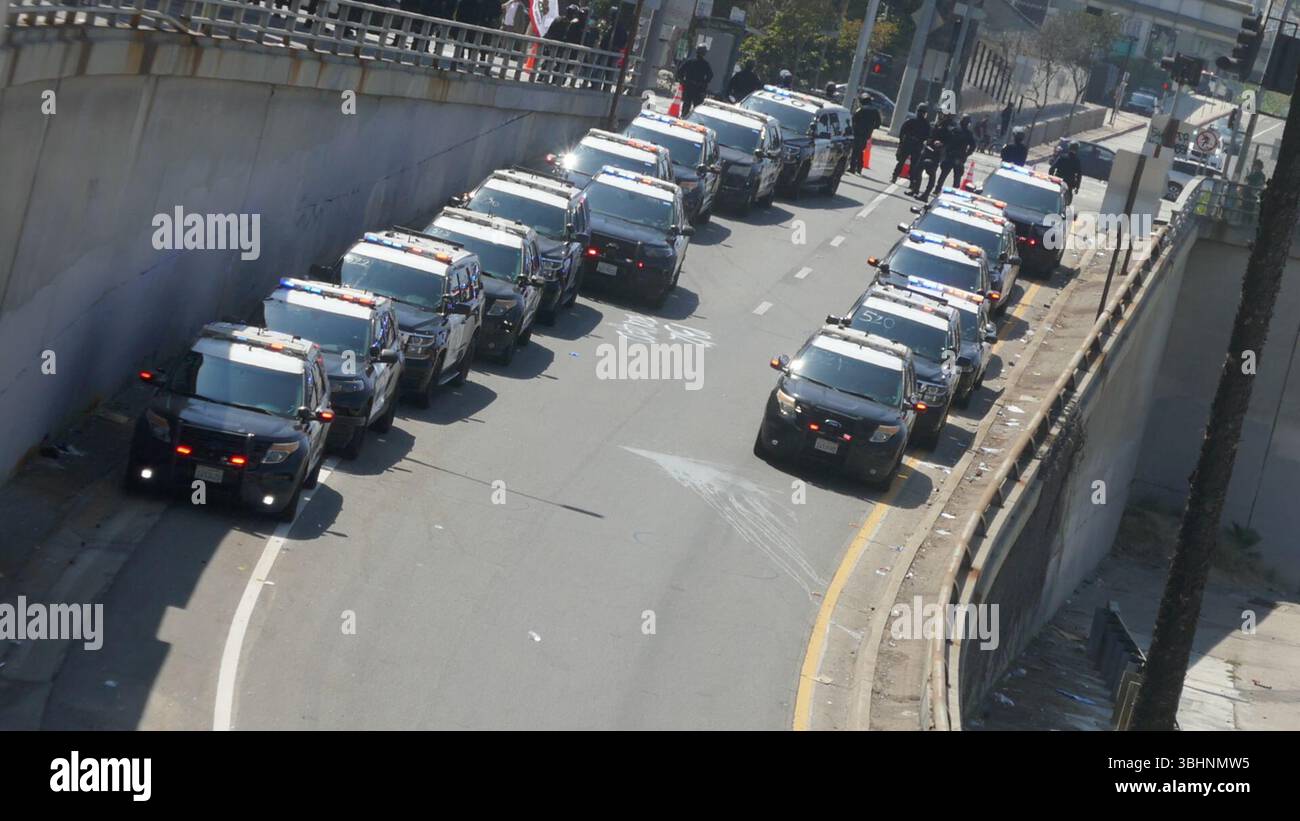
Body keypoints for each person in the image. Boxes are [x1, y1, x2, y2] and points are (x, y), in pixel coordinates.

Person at [933, 114, 975, 195]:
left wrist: (966, 154)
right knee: (950, 175)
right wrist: (966, 154)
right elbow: (972, 146)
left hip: (955, 156)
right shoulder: (958, 131)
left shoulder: (958, 131)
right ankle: (945, 190)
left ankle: (939, 189)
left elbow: (972, 146)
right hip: (954, 156)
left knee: (950, 175)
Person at [893, 102, 931, 184]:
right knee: (914, 165)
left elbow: (902, 132)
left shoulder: (910, 120)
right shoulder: (926, 124)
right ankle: (912, 182)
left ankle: (894, 177)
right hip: (917, 145)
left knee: (902, 162)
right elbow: (927, 136)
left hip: (908, 143)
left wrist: (901, 142)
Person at [676, 45, 714, 117]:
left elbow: (680, 72)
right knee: (697, 107)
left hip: (688, 86)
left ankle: (683, 116)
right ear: (704, 53)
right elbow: (710, 76)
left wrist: (682, 81)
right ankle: (694, 119)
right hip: (699, 88)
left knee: (686, 104)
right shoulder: (705, 64)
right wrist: (704, 83)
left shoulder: (689, 61)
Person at [850, 93, 882, 174]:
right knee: (860, 150)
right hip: (866, 134)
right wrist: (871, 128)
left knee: (855, 150)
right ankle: (859, 167)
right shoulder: (875, 111)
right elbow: (878, 123)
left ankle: (853, 167)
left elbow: (853, 120)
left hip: (857, 133)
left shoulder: (860, 110)